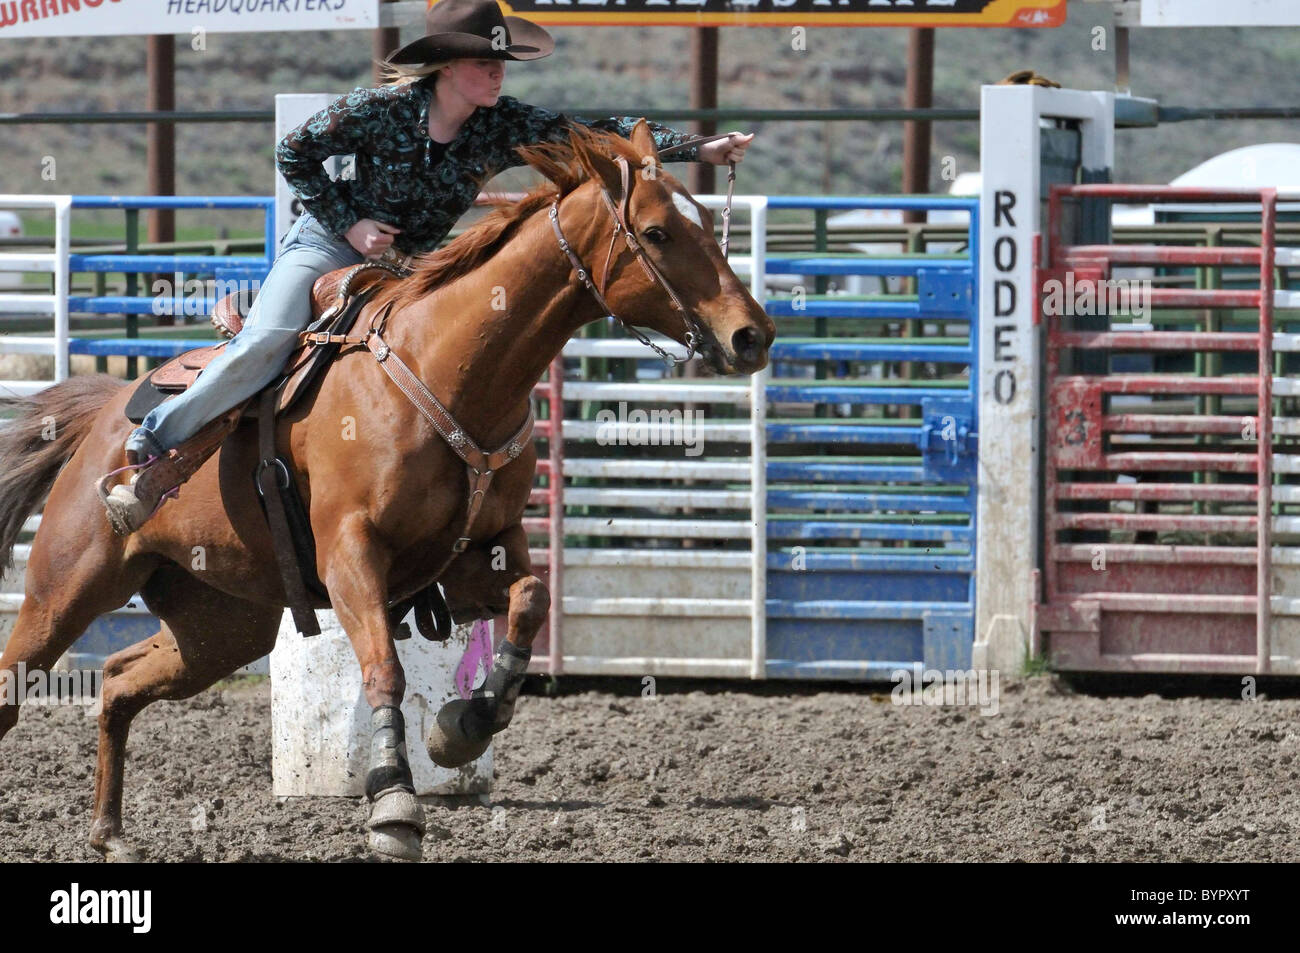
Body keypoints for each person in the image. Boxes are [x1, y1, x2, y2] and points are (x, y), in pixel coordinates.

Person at [99, 0, 753, 536]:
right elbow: (294, 150)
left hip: (411, 267)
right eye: (483, 62)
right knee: (269, 339)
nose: (497, 74)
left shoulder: (501, 126)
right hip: (327, 243)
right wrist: (350, 218)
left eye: (500, 62)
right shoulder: (377, 112)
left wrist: (698, 146)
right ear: (444, 68)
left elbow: (594, 130)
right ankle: (155, 441)